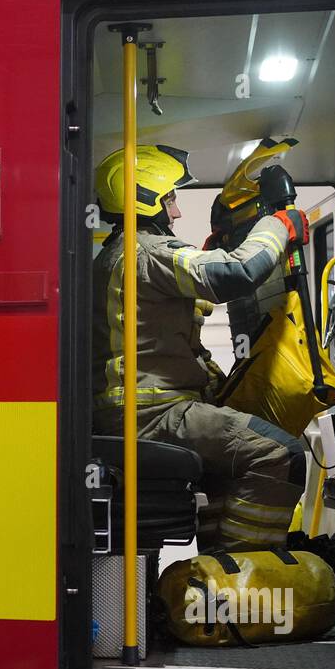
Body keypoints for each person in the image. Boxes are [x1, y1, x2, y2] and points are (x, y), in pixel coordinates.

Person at [92, 144, 309, 551]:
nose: (175, 213)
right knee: (280, 454)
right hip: (155, 414)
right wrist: (280, 224)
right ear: (143, 197)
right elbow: (237, 272)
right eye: (170, 200)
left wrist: (208, 254)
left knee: (234, 465)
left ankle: (215, 574)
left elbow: (171, 305)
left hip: (132, 413)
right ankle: (245, 572)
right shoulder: (148, 252)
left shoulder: (117, 257)